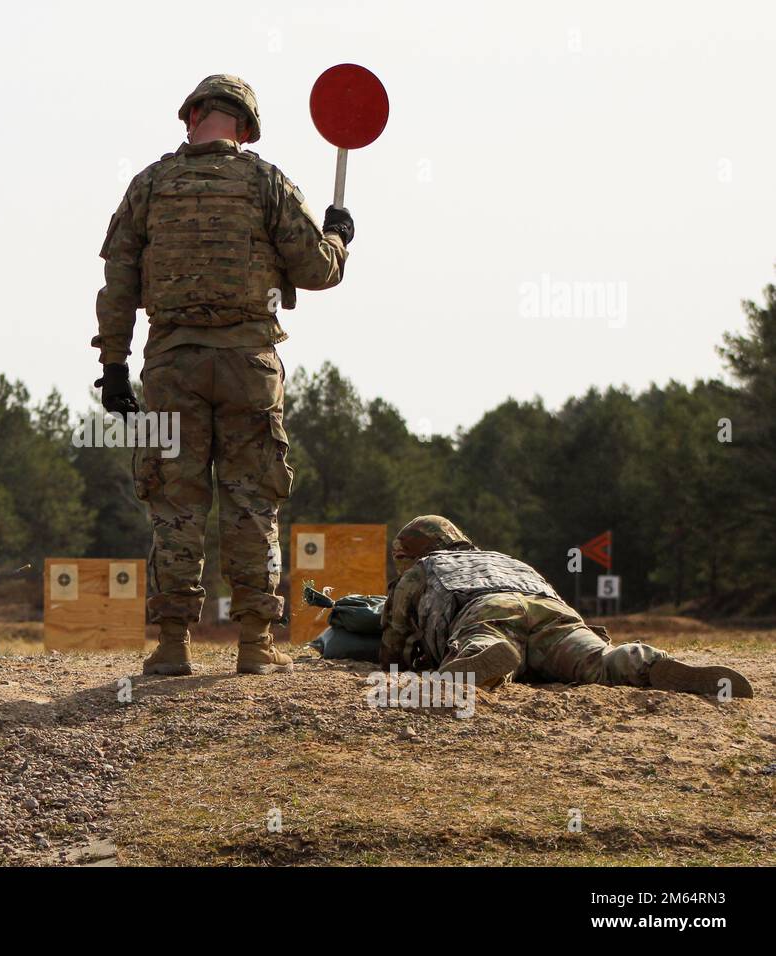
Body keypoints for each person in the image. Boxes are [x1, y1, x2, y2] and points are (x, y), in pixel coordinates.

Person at [94, 74, 352, 676]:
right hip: (249, 366)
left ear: (191, 117)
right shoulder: (267, 183)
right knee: (252, 503)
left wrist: (113, 366)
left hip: (171, 366)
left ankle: (172, 646)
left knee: (174, 503)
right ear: (247, 129)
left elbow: (118, 283)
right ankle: (255, 643)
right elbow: (317, 271)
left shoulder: (150, 185)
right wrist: (338, 235)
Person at [378, 515, 754, 698]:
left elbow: (394, 636)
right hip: (554, 613)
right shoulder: (506, 559)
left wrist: (392, 660)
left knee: (486, 638)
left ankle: (486, 657)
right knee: (599, 661)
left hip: (486, 609)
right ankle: (648, 662)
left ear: (413, 553)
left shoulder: (425, 568)